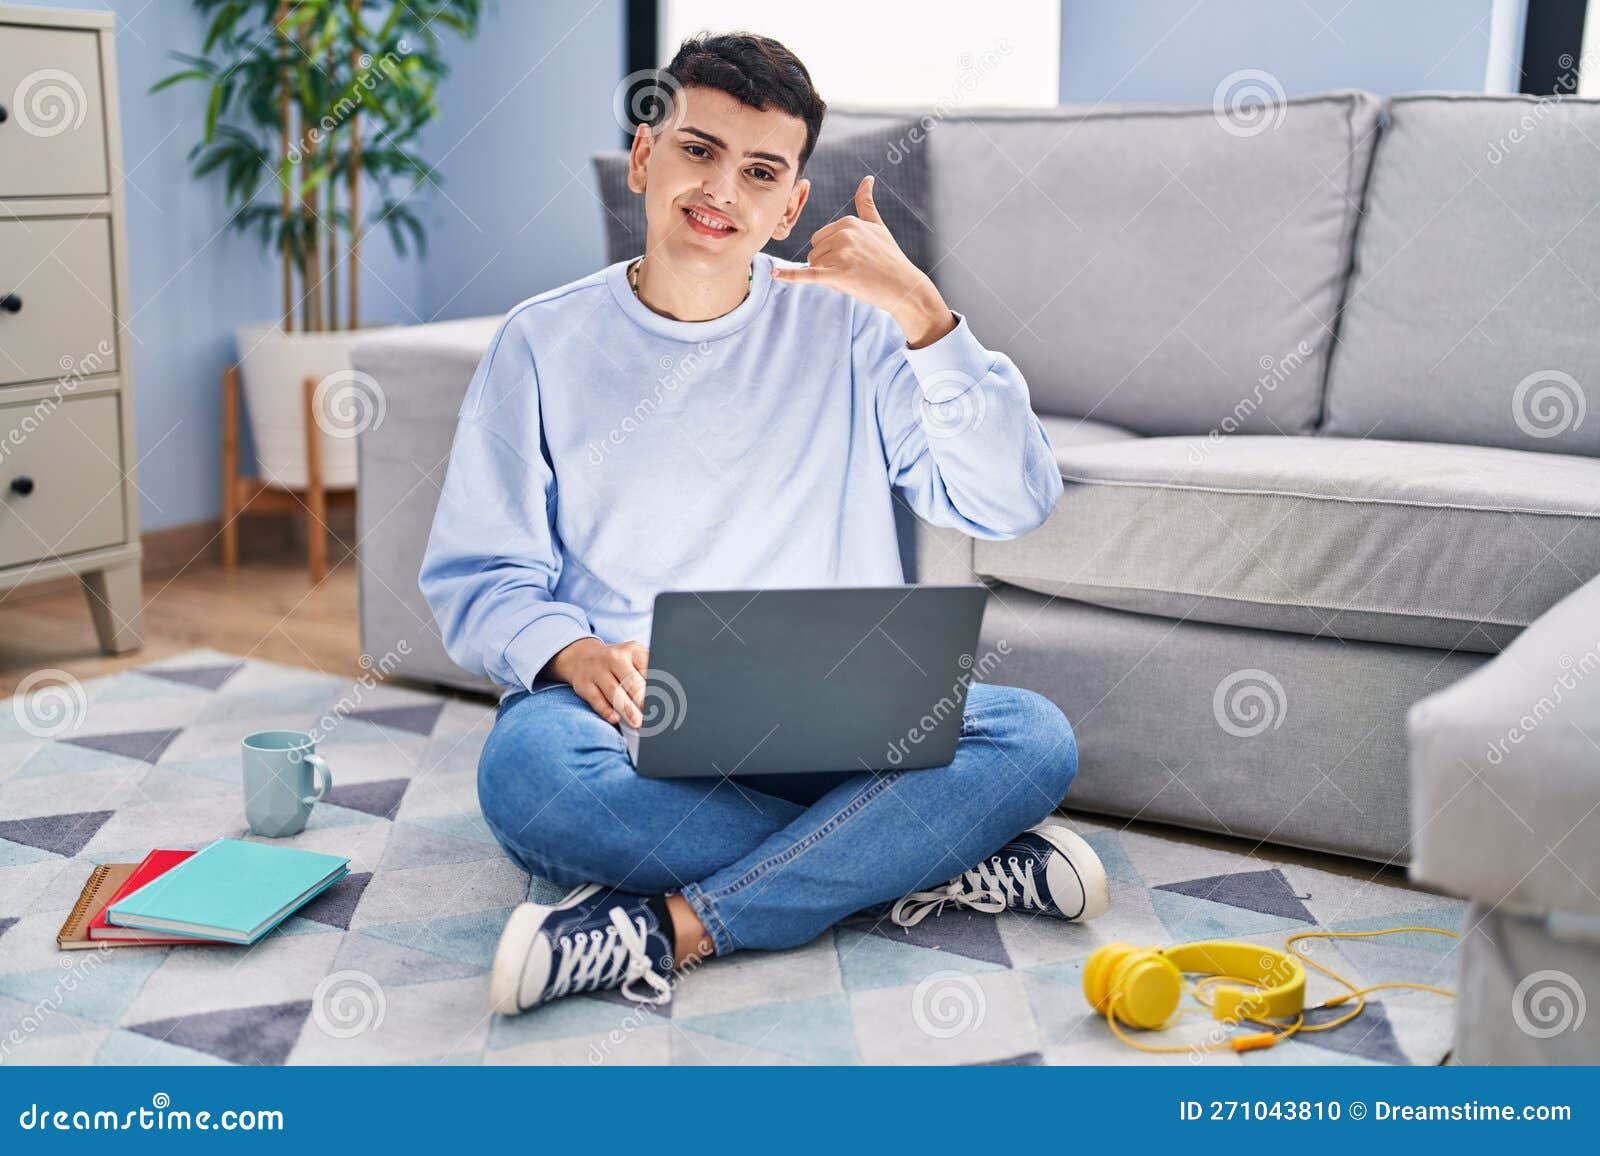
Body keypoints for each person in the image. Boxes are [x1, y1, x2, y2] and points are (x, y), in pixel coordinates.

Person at [419, 31, 1108, 1017]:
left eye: (760, 172)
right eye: (698, 150)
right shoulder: (539, 340)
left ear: (790, 207)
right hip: (625, 716)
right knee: (530, 782)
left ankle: (677, 926)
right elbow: (481, 572)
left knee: (1033, 736)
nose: (721, 190)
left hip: (836, 715)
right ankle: (928, 854)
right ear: (643, 155)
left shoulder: (859, 326)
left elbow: (1012, 501)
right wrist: (569, 650)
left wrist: (924, 312)